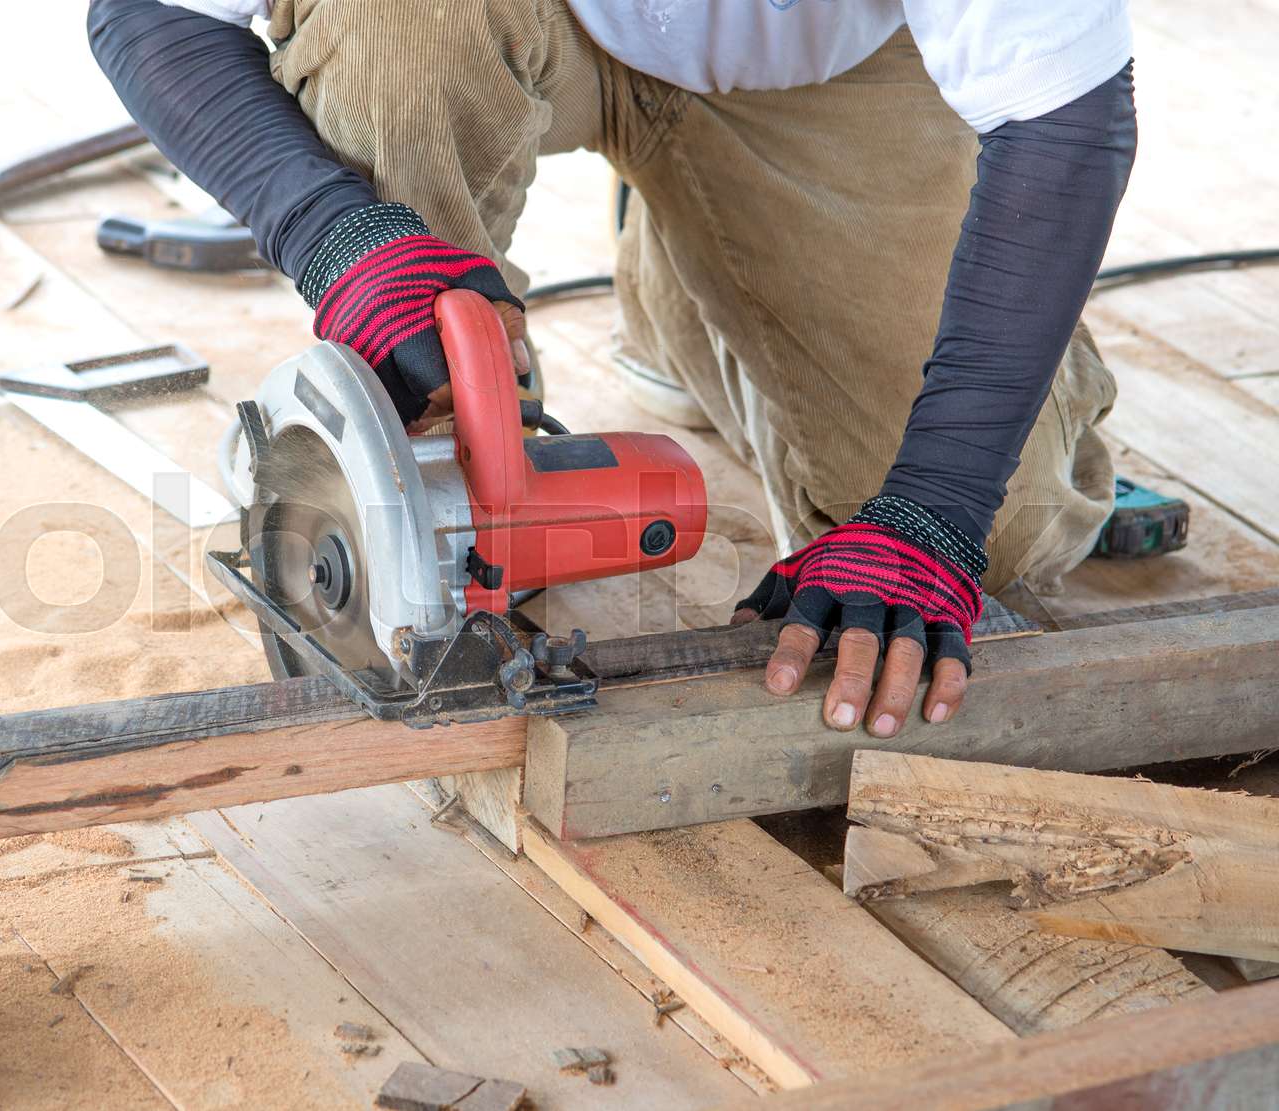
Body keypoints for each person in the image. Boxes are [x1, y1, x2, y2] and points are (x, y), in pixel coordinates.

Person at [88, 0, 1137, 738]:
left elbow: (1067, 124)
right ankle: (452, 474)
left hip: (830, 64)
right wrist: (336, 234)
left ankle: (689, 292)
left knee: (996, 533)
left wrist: (935, 503)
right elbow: (149, 12)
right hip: (490, 20)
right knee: (401, 28)